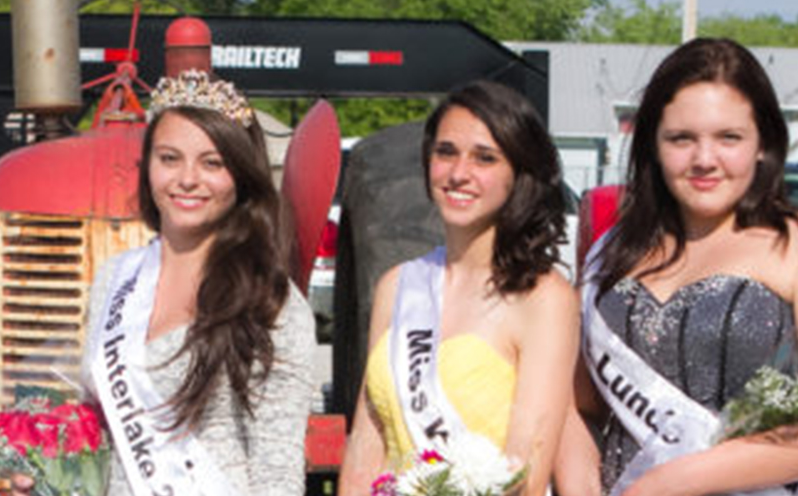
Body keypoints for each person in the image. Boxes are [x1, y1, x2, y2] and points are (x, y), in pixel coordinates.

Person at [557, 38, 798, 496]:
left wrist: (673, 482)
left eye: (729, 137)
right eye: (681, 139)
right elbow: (575, 406)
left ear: (764, 144)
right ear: (653, 145)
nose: (704, 160)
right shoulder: (612, 252)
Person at [336, 80, 580, 496]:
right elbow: (366, 445)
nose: (458, 173)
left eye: (485, 158)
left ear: (519, 173)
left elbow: (527, 471)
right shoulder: (398, 286)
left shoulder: (543, 298)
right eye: (446, 152)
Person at [82, 70, 316, 496]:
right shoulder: (114, 280)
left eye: (212, 163)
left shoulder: (270, 299)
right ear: (148, 166)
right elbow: (95, 436)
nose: (187, 179)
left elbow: (278, 468)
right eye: (169, 158)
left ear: (241, 175)